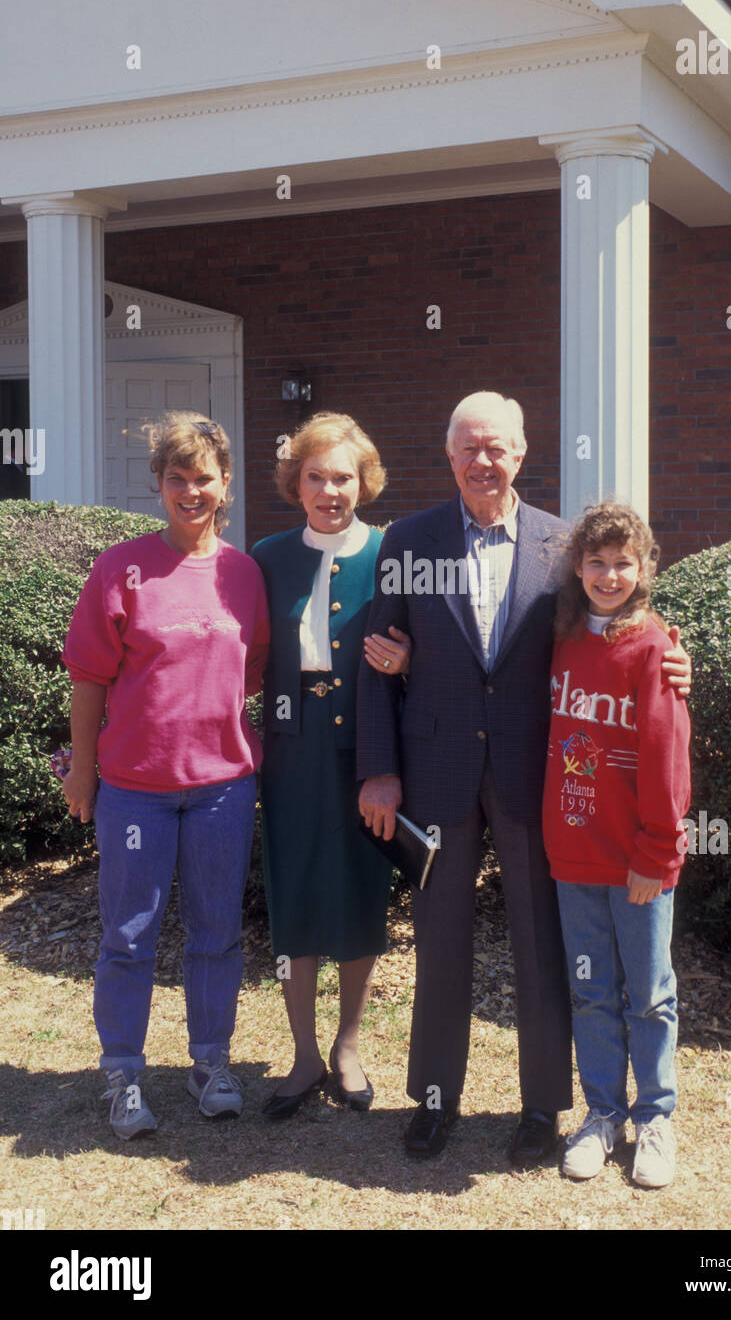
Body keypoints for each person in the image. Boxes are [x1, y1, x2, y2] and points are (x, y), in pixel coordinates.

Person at [357, 390, 692, 1165]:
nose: (484, 460)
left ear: (521, 454)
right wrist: (378, 772)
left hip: (536, 778)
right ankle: (435, 1100)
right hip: (435, 771)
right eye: (469, 447)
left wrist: (674, 656)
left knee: (545, 943)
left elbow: (616, 623)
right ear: (449, 456)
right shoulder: (407, 540)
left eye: (498, 446)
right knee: (440, 941)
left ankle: (543, 1108)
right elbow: (377, 665)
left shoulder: (561, 545)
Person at [62, 412, 270, 1140]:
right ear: (158, 484)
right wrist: (83, 770)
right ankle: (122, 1070)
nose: (191, 491)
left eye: (203, 479)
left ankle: (211, 1062)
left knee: (216, 931)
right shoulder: (121, 568)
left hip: (221, 787)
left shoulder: (243, 574)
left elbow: (254, 668)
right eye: (176, 479)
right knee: (129, 934)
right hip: (134, 789)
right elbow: (88, 679)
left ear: (225, 486)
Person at [251, 412, 409, 1118]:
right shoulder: (267, 555)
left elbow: (431, 648)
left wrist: (409, 661)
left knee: (356, 893)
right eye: (315, 476)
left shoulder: (392, 551)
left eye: (342, 476)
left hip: (364, 752)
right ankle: (303, 1053)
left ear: (363, 482)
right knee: (295, 896)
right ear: (297, 484)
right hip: (288, 751)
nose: (329, 489)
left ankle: (347, 1045)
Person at [542, 503, 690, 1188]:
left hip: (637, 863)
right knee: (591, 991)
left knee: (650, 995)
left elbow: (668, 759)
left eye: (622, 563)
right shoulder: (562, 637)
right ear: (578, 566)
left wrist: (657, 854)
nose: (609, 575)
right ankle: (602, 1114)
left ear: (645, 568)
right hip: (573, 854)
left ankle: (655, 1117)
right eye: (596, 562)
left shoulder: (656, 647)